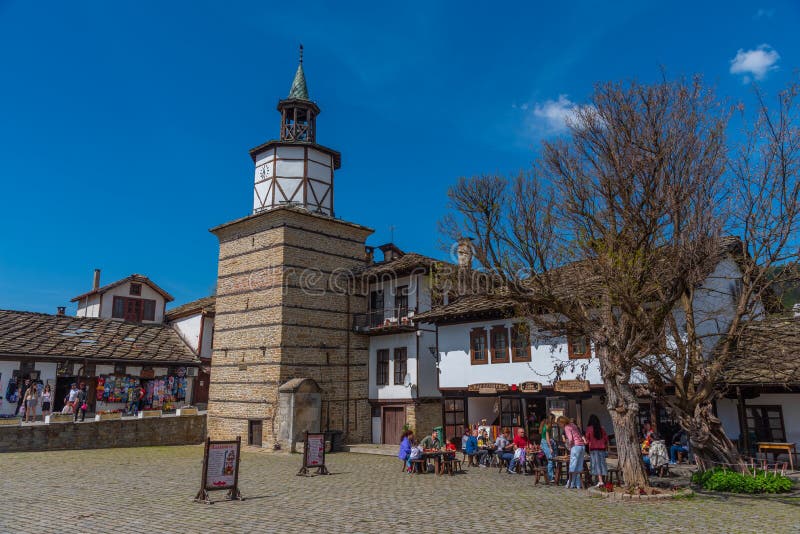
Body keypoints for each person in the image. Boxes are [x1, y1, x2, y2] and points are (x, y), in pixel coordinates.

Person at [559, 416, 586, 488]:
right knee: (579, 466)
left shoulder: (567, 427)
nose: (559, 425)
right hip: (582, 446)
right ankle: (577, 484)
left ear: (562, 423)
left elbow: (570, 439)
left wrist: (569, 446)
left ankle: (570, 483)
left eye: (559, 424)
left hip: (576, 446)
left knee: (572, 466)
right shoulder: (573, 425)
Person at [585, 414, 609, 487]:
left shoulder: (589, 429)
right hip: (602, 449)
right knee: (602, 464)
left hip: (593, 449)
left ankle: (600, 481)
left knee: (596, 465)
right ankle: (602, 481)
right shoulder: (602, 428)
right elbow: (606, 439)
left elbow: (587, 440)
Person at [539, 415, 557, 483]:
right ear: (551, 419)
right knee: (550, 459)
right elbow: (547, 438)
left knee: (552, 459)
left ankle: (551, 475)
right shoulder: (547, 427)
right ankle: (550, 477)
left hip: (545, 442)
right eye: (554, 419)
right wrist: (550, 447)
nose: (554, 421)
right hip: (545, 443)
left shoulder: (547, 426)